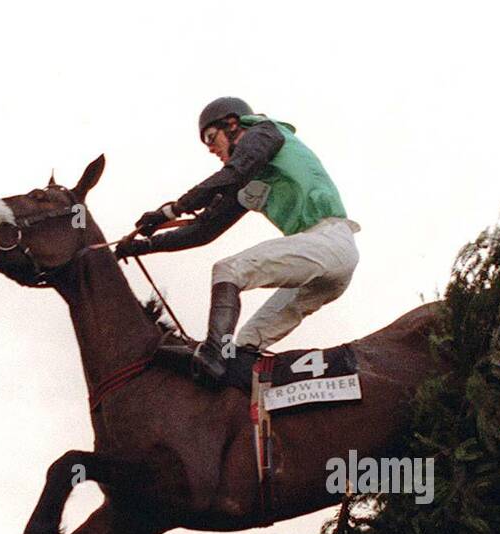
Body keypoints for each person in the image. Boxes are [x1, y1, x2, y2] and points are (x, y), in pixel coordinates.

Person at [116, 97, 360, 383]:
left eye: (210, 137)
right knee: (243, 348)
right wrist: (144, 246)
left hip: (330, 240)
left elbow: (234, 172)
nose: (210, 149)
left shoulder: (265, 132)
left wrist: (171, 209)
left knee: (228, 270)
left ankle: (211, 354)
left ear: (232, 124)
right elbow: (204, 230)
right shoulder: (247, 181)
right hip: (322, 265)